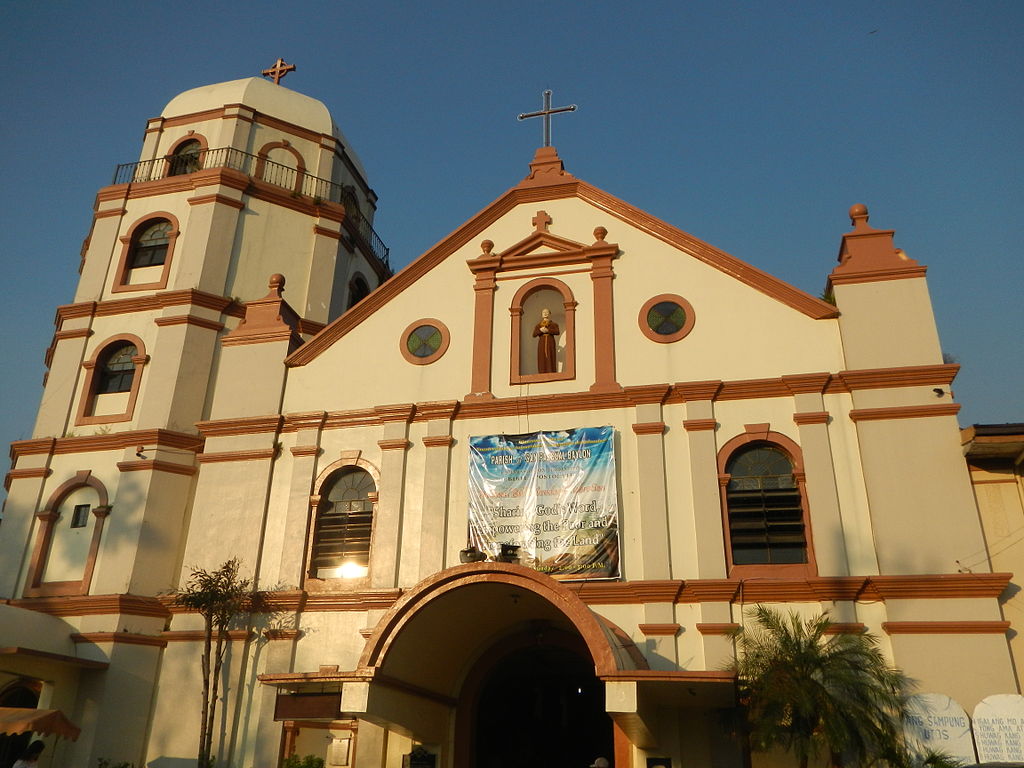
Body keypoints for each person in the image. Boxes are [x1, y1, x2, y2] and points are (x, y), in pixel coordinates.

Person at [532, 308, 560, 373]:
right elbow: (534, 334)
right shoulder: (538, 325)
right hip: (541, 342)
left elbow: (557, 332)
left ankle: (551, 371)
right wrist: (540, 330)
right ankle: (542, 371)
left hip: (550, 341)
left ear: (549, 314)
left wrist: (548, 330)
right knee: (542, 356)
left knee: (550, 355)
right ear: (542, 315)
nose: (545, 313)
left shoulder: (553, 324)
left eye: (546, 312)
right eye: (543, 312)